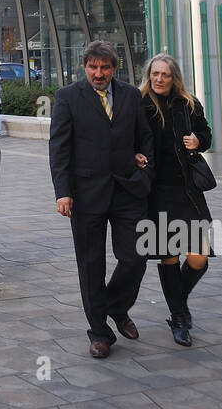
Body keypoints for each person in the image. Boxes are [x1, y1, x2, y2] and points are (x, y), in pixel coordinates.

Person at [49, 41, 153, 358]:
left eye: (105, 67)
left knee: (137, 254)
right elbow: (59, 149)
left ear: (114, 68)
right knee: (91, 265)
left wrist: (144, 165)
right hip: (85, 195)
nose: (99, 73)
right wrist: (63, 192)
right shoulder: (68, 98)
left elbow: (144, 137)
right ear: (85, 67)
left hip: (127, 190)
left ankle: (116, 307)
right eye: (93, 67)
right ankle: (99, 333)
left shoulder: (131, 95)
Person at [139, 53, 214, 347]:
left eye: (165, 75)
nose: (159, 79)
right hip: (156, 192)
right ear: (149, 75)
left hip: (187, 190)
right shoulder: (140, 104)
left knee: (199, 257)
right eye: (155, 74)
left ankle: (177, 302)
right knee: (169, 256)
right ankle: (179, 318)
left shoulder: (189, 104)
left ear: (174, 78)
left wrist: (198, 141)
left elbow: (206, 133)